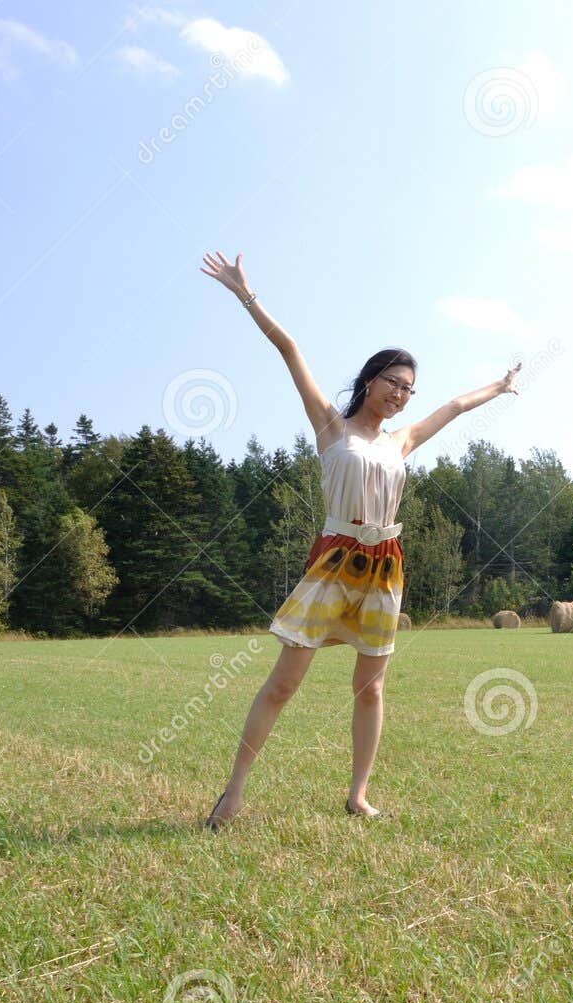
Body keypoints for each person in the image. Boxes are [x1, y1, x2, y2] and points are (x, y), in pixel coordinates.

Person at [196, 251, 521, 830]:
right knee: (282, 685)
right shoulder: (331, 426)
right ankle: (234, 792)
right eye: (394, 383)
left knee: (370, 690)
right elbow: (289, 349)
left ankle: (359, 794)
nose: (401, 395)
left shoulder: (403, 441)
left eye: (408, 389)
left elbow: (453, 406)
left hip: (384, 566)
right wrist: (246, 295)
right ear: (370, 381)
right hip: (334, 559)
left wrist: (498, 386)